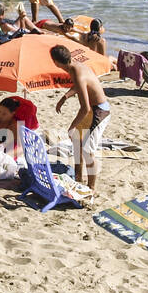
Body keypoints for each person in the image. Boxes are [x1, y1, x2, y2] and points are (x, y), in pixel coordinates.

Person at [51, 45, 111, 190]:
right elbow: (80, 86)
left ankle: (91, 188)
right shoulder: (75, 66)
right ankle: (78, 176)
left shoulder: (77, 72)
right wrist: (65, 97)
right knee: (77, 143)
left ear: (56, 62)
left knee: (88, 151)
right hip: (92, 109)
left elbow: (85, 108)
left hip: (99, 111)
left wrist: (71, 127)